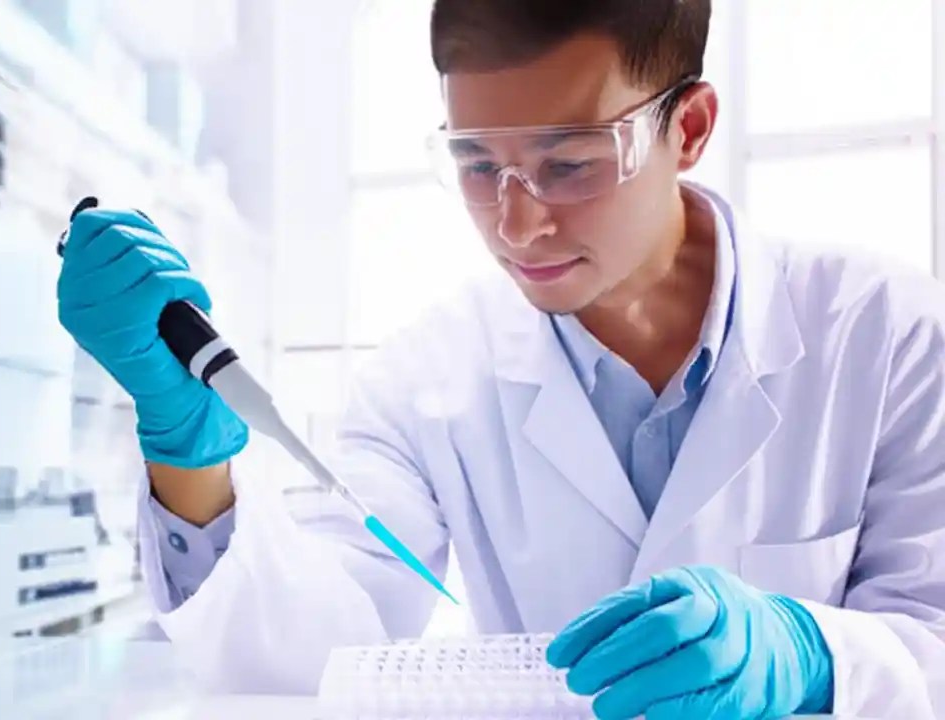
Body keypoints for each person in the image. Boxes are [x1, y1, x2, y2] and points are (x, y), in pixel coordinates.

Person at [57, 0, 945, 716]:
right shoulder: (427, 378)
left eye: (571, 164)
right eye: (478, 165)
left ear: (692, 126)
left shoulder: (889, 332)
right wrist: (187, 451)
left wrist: (812, 657)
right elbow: (314, 652)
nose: (517, 228)